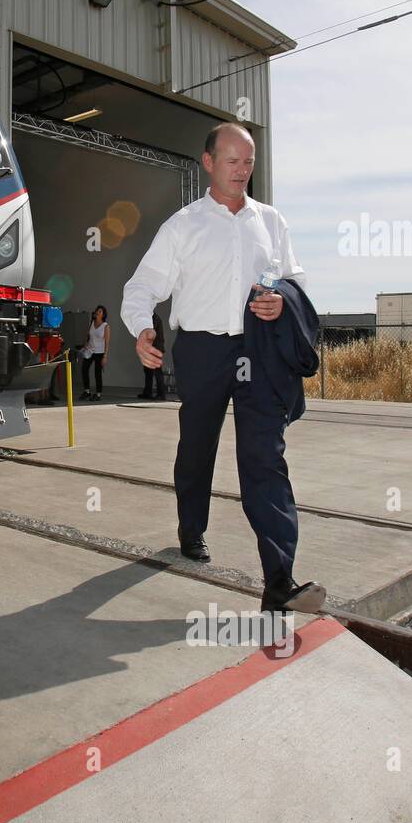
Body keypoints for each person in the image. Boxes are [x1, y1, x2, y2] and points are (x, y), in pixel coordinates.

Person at [119, 122, 325, 614]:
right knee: (197, 448)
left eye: (248, 162)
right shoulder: (183, 225)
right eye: (231, 162)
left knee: (265, 460)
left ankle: (280, 582)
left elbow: (294, 280)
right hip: (203, 351)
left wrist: (281, 299)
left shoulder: (271, 222)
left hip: (258, 352)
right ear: (208, 163)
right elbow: (142, 286)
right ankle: (192, 529)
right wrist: (142, 329)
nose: (242, 171)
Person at [79, 305, 110, 401]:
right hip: (90, 351)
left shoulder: (106, 326)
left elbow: (107, 342)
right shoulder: (92, 322)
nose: (97, 312)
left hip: (99, 353)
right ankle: (87, 391)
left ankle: (98, 394)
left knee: (97, 373)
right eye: (97, 311)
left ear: (103, 314)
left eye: (100, 311)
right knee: (84, 369)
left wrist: (105, 356)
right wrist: (85, 345)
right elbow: (88, 335)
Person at [138, 311, 167, 400]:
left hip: (155, 349)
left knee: (157, 372)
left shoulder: (154, 318)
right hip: (152, 348)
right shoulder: (153, 317)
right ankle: (148, 392)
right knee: (148, 372)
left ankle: (161, 394)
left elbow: (150, 333)